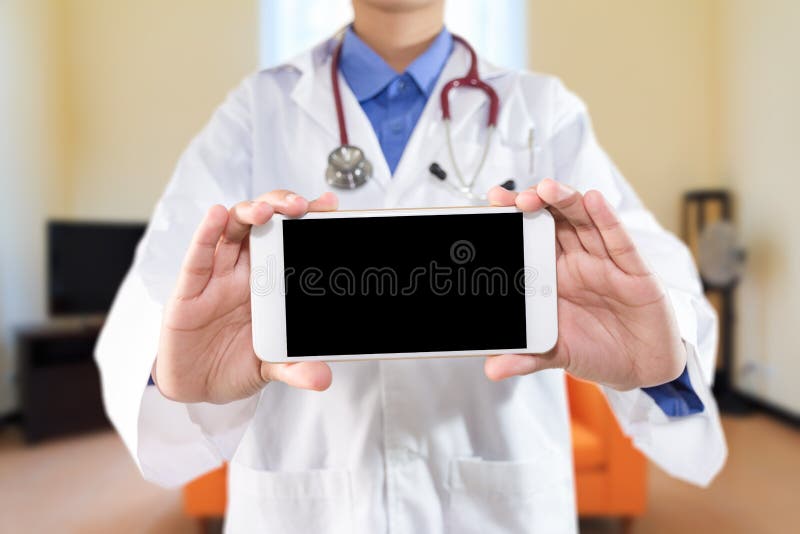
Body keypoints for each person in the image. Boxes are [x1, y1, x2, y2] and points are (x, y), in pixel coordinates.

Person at [95, 1, 726, 532]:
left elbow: (649, 273)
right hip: (310, 497)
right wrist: (172, 371)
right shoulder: (258, 110)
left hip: (495, 495)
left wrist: (661, 363)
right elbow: (160, 284)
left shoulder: (541, 111)